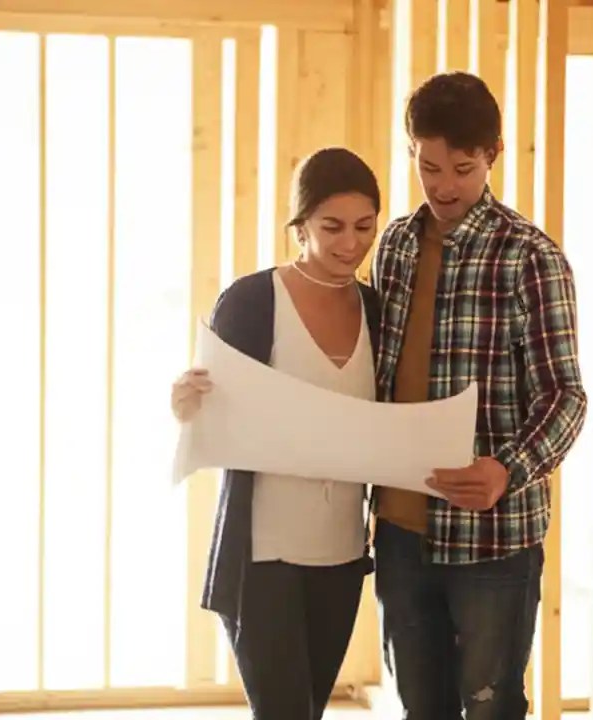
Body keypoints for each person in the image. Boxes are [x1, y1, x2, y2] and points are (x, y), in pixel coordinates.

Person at [369, 71, 588, 719]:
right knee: (420, 708)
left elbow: (565, 396)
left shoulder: (530, 257)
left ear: (493, 154)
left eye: (462, 169)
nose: (444, 186)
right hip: (400, 532)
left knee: (492, 707)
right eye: (428, 167)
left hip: (491, 538)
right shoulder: (394, 246)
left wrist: (507, 470)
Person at [170, 147, 384, 720]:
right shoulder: (252, 300)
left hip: (342, 553)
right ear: (300, 226)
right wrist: (185, 403)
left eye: (364, 226)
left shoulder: (377, 309)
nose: (350, 243)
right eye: (332, 227)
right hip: (262, 553)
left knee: (308, 710)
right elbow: (210, 416)